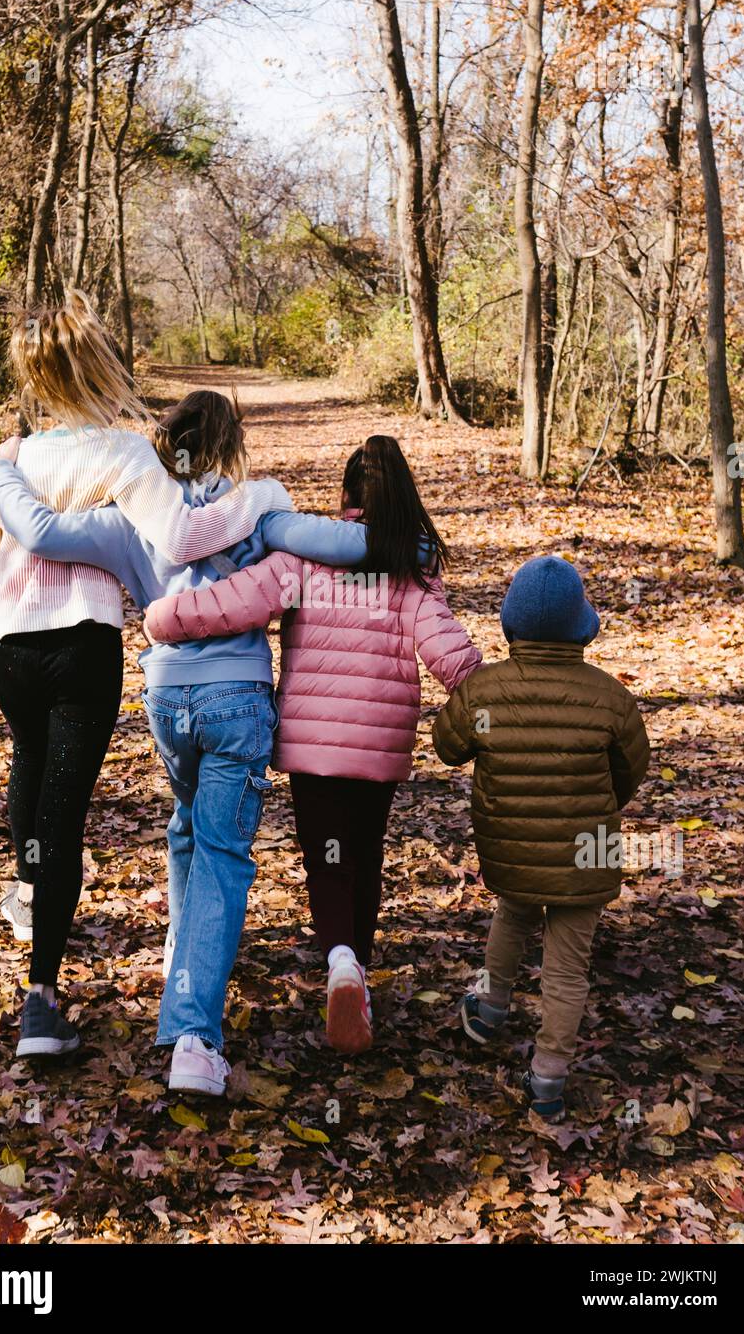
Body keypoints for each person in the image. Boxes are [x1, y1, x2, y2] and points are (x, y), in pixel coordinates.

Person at [0, 386, 368, 1090]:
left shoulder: (129, 521)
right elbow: (338, 543)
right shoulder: (254, 509)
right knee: (222, 852)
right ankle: (193, 1039)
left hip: (169, 705)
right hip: (237, 701)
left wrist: (1, 471)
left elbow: (38, 530)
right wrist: (403, 537)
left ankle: (181, 956)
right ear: (230, 444)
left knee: (190, 828)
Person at [0, 290, 296, 1061]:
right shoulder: (122, 454)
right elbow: (181, 537)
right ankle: (41, 1001)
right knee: (63, 816)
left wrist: (13, 493)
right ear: (96, 365)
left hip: (10, 642)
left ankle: (28, 892)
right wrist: (256, 503)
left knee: (28, 782)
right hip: (82, 642)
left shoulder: (15, 457)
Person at [143, 435, 483, 1055]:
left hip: (311, 742)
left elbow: (234, 605)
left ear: (346, 497)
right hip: (379, 745)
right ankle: (359, 975)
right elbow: (444, 648)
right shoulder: (411, 569)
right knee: (366, 854)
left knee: (328, 858)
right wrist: (491, 690)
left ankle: (342, 963)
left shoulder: (302, 559)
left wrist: (161, 618)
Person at [432, 556, 650, 1122]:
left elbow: (448, 746)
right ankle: (549, 1074)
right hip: (587, 850)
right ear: (582, 625)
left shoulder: (485, 694)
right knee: (567, 966)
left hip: (513, 846)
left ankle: (491, 1007)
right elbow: (630, 768)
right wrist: (601, 808)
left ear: (511, 625)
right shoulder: (610, 698)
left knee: (514, 913)